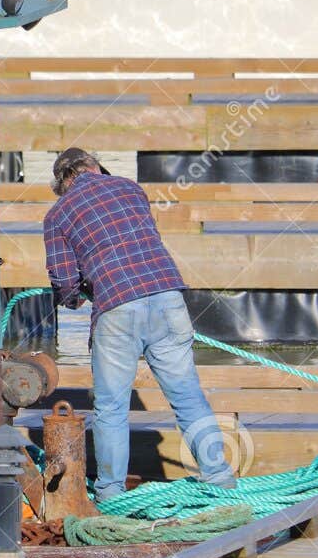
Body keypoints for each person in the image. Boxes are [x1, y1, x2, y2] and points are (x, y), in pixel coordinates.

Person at [43, 147, 235, 501]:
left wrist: (75, 296)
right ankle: (220, 478)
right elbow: (144, 240)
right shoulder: (131, 188)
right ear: (94, 166)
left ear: (64, 180)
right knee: (188, 396)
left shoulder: (58, 215)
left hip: (117, 307)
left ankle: (111, 495)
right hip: (167, 296)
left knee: (112, 408)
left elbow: (64, 280)